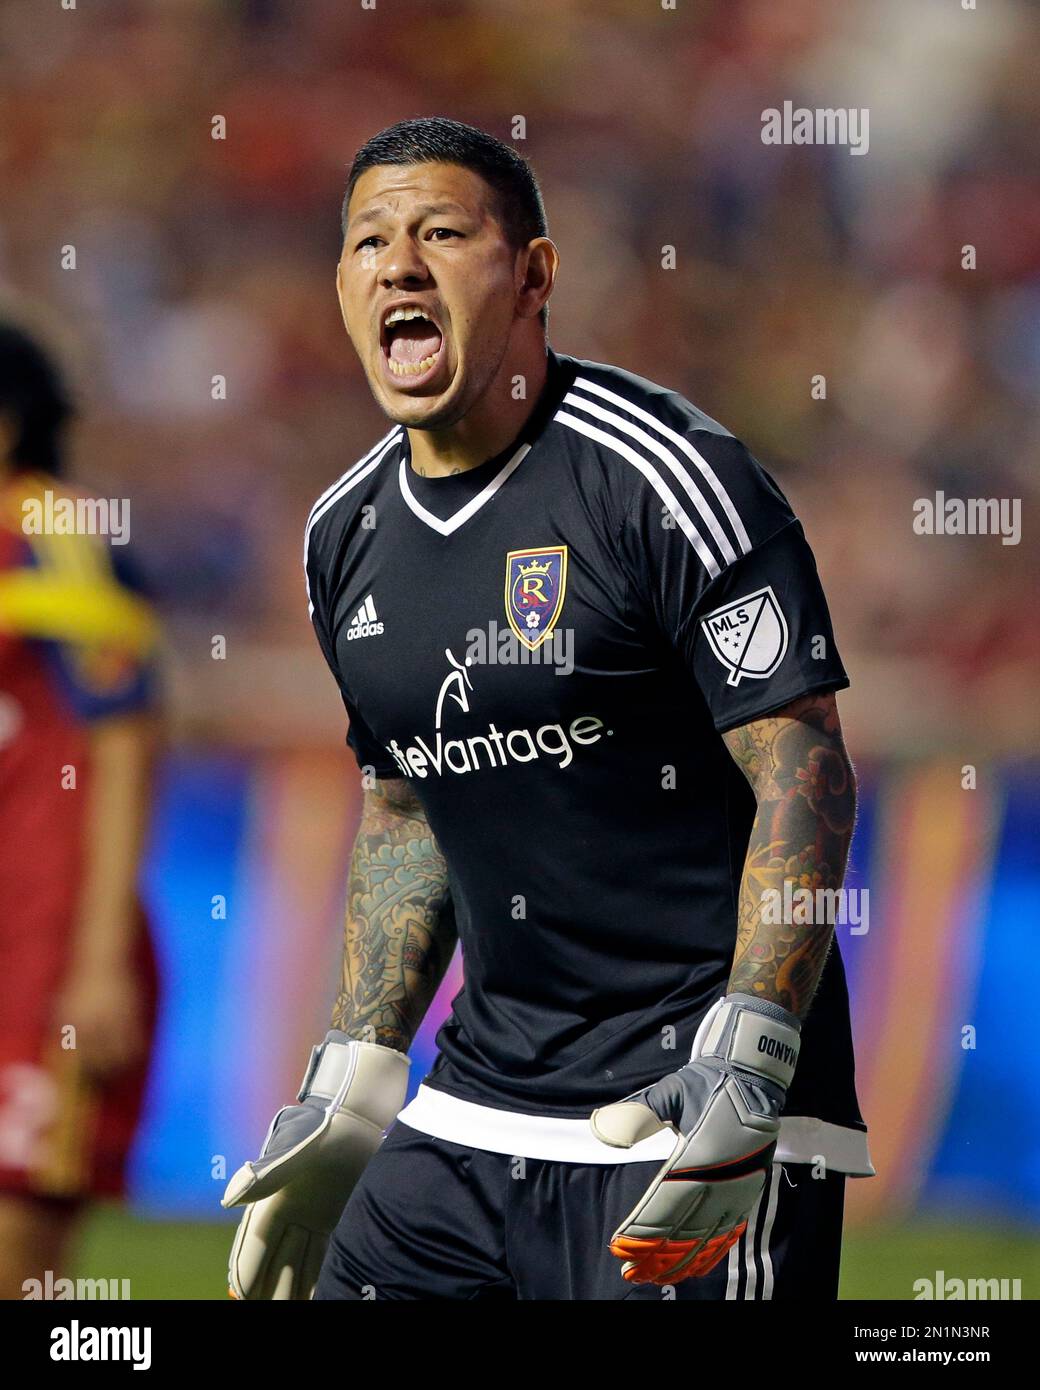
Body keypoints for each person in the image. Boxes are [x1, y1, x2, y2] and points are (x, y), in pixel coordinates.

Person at [224, 116, 873, 1302]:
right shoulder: (342, 537)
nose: (398, 266)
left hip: (686, 1106)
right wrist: (353, 1080)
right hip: (474, 1108)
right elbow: (407, 804)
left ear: (532, 275)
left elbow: (804, 767)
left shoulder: (666, 476)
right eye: (369, 242)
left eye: (441, 233)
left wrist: (753, 1059)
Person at [0, 321, 161, 1299]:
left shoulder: (50, 533)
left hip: (44, 958)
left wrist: (97, 961)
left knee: (22, 1261)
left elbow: (125, 733)